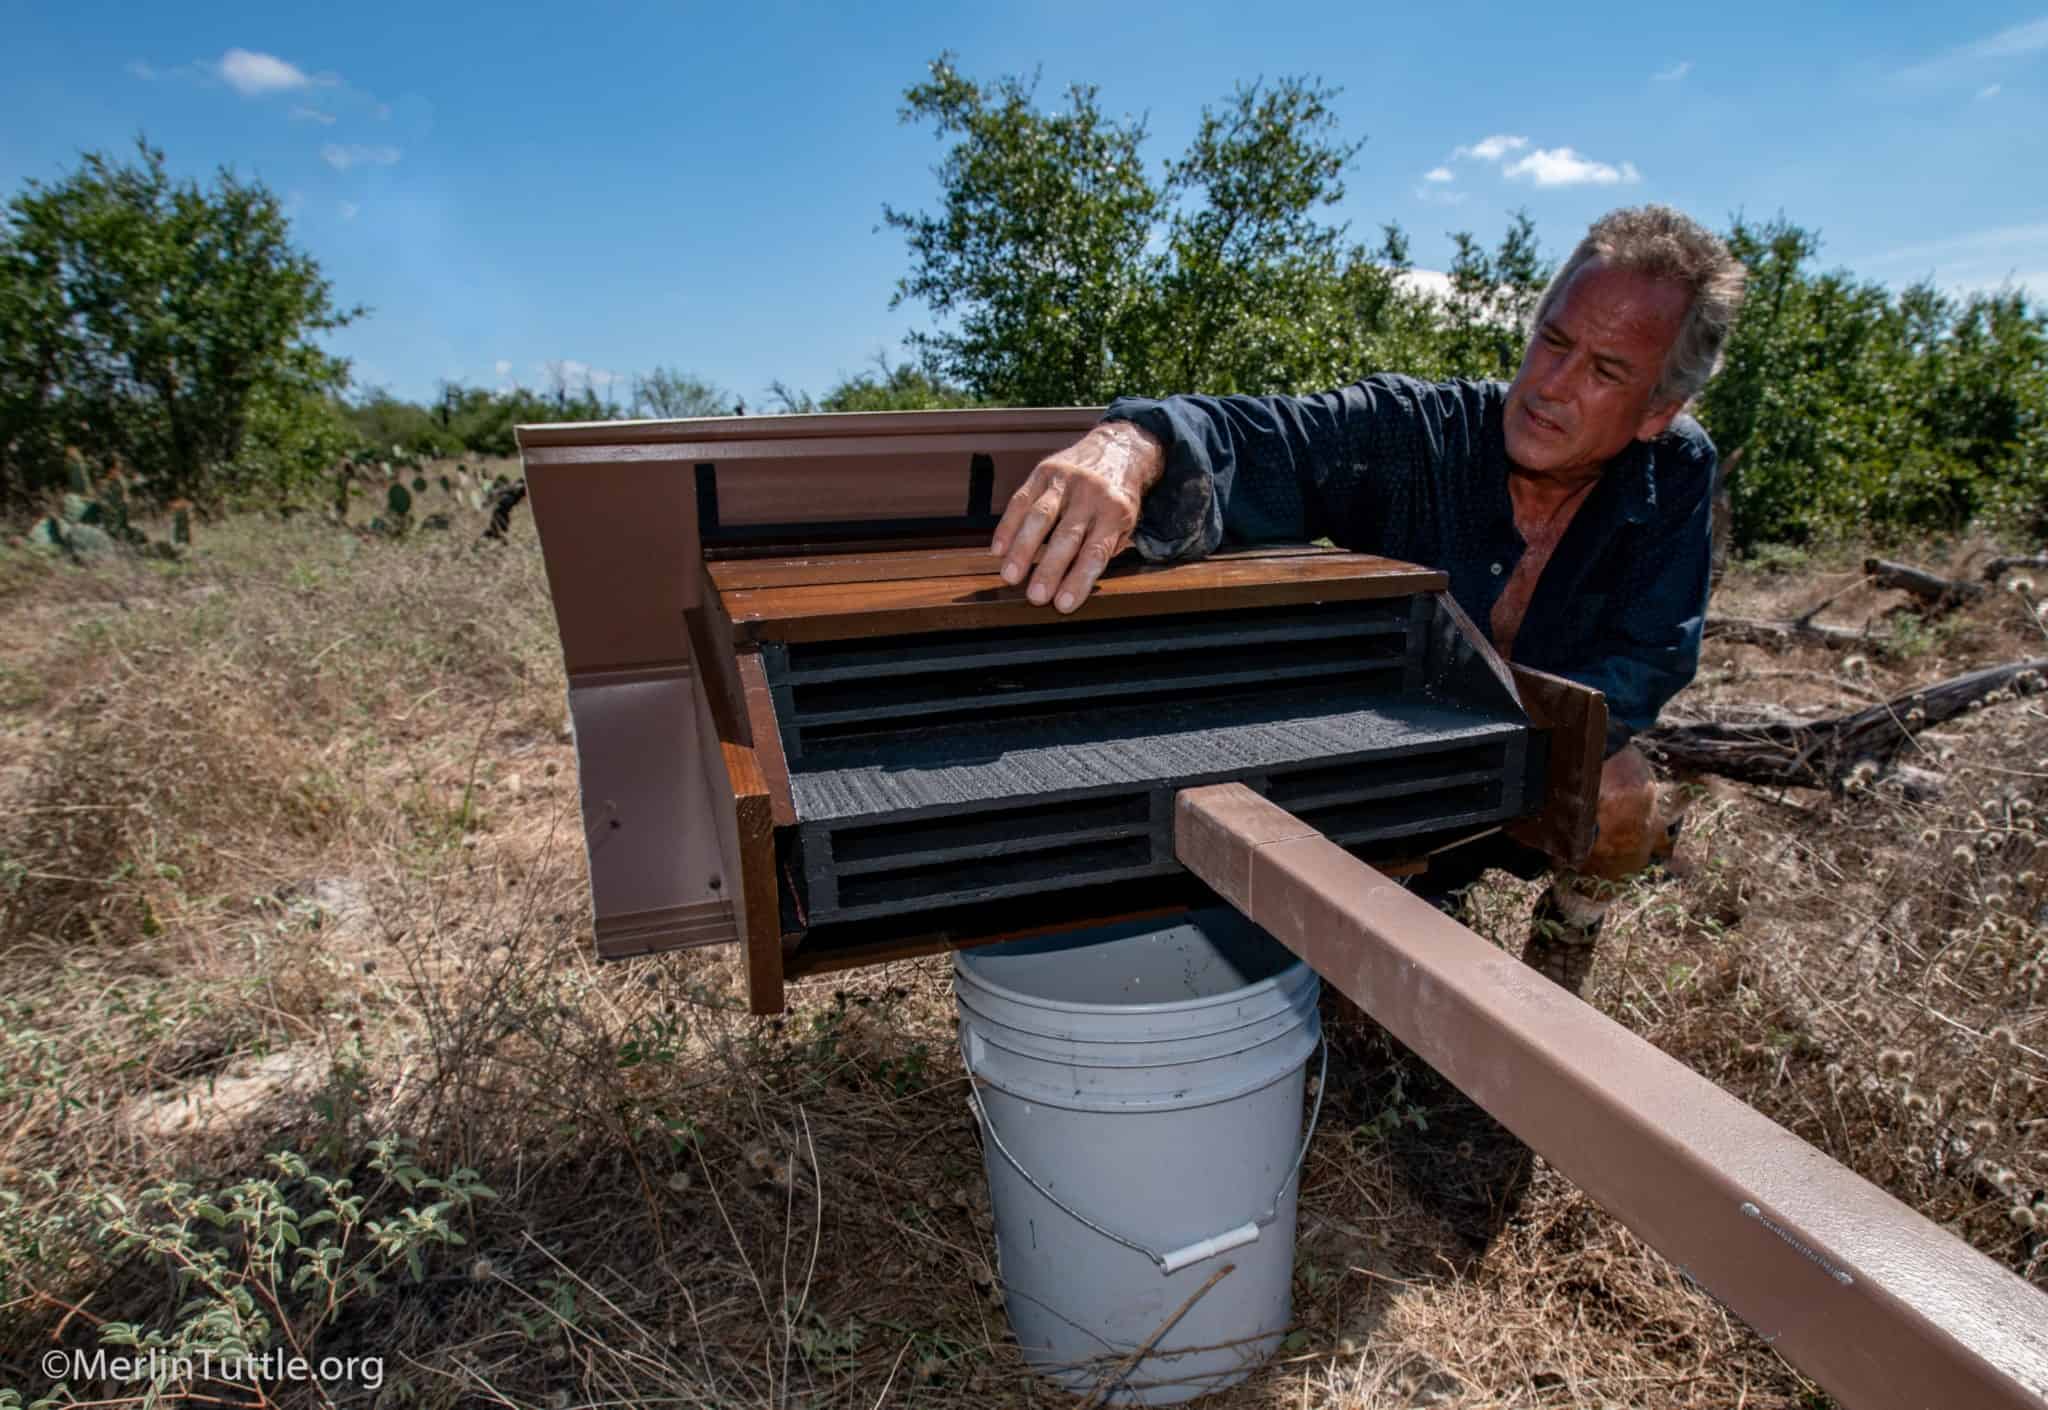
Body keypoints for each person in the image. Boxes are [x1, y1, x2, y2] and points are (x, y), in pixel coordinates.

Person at [985, 205, 1749, 990]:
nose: (1552, 387)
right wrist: (1129, 446)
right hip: (1385, 778)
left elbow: (1653, 654)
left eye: (1605, 372)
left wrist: (1508, 744)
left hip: (1529, 758)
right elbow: (1262, 438)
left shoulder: (1676, 472)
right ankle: (1406, 905)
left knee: (1624, 798)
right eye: (1552, 342)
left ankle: (1564, 941)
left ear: (1659, 410)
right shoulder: (1418, 433)